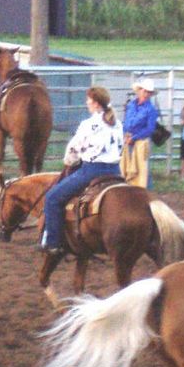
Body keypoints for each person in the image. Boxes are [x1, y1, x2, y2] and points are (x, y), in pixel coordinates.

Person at [41, 86, 123, 256]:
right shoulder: (117, 123)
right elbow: (120, 147)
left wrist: (69, 161)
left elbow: (73, 149)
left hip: (92, 170)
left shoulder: (88, 125)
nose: (87, 102)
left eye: (89, 100)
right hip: (115, 171)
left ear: (96, 103)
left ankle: (54, 243)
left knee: (52, 198)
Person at [121, 77, 158, 188]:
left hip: (141, 141)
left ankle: (147, 192)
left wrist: (135, 137)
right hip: (128, 138)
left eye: (149, 92)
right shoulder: (131, 105)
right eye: (144, 91)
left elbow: (150, 129)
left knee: (143, 168)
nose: (146, 94)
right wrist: (125, 134)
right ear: (139, 90)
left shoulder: (151, 109)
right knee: (127, 165)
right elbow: (126, 121)